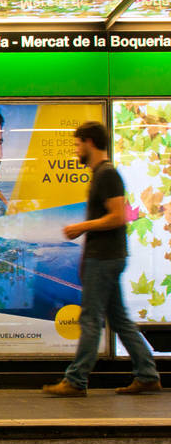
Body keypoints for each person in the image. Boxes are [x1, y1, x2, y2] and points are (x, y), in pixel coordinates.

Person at [43, 121, 162, 397]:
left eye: (77, 144)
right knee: (119, 320)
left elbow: (118, 217)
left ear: (89, 142)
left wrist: (81, 227)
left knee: (90, 319)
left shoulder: (107, 175)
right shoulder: (102, 174)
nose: (76, 151)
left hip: (105, 258)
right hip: (106, 257)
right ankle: (147, 374)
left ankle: (76, 380)